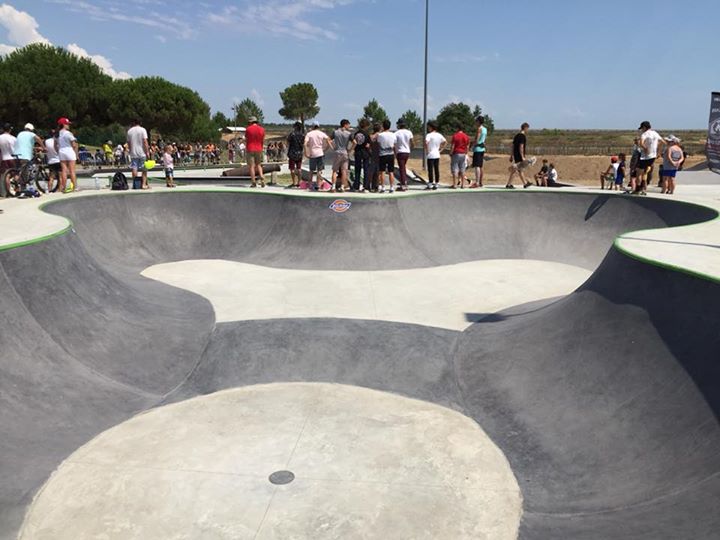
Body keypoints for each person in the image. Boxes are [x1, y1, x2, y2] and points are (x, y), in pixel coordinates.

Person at [636, 121, 664, 196]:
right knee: (645, 172)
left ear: (644, 127)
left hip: (644, 157)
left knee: (639, 172)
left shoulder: (644, 134)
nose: (641, 130)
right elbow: (662, 141)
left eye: (642, 128)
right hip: (653, 156)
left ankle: (638, 189)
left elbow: (641, 143)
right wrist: (659, 152)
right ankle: (643, 188)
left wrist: (645, 149)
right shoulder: (655, 133)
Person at [304, 122, 333, 191]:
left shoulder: (309, 134)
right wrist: (326, 149)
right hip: (320, 153)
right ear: (318, 126)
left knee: (311, 170)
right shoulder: (321, 133)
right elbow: (329, 140)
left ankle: (310, 185)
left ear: (312, 126)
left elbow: (305, 144)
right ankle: (318, 185)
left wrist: (306, 152)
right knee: (319, 170)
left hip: (312, 154)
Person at [506, 122, 533, 189]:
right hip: (519, 156)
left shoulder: (516, 136)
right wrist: (522, 157)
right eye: (527, 129)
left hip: (515, 155)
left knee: (520, 170)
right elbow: (521, 147)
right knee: (515, 170)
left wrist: (511, 155)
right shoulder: (522, 136)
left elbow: (512, 146)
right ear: (525, 128)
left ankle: (525, 183)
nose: (527, 130)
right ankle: (508, 184)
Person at [56, 117, 78, 193]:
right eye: (67, 124)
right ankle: (75, 187)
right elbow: (74, 144)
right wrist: (76, 153)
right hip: (69, 151)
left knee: (64, 171)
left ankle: (64, 187)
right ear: (64, 124)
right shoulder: (68, 133)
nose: (68, 125)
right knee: (72, 171)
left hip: (61, 152)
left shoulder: (58, 134)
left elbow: (56, 145)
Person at [127, 119, 150, 190]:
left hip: (133, 152)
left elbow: (129, 143)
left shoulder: (129, 131)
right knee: (144, 169)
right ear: (140, 123)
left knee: (134, 168)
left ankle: (135, 185)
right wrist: (147, 152)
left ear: (133, 123)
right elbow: (145, 141)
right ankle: (143, 185)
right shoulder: (143, 130)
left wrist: (130, 151)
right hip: (142, 152)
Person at [424, 121, 446, 190]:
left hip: (431, 155)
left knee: (430, 170)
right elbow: (445, 142)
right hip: (437, 154)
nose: (428, 128)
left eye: (428, 127)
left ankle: (430, 183)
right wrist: (441, 150)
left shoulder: (429, 135)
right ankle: (436, 183)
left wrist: (427, 151)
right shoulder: (439, 135)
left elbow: (426, 143)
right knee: (436, 169)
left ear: (431, 127)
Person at [351, 118, 371, 192]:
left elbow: (355, 143)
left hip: (357, 152)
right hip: (365, 153)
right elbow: (368, 145)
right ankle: (365, 187)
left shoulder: (356, 133)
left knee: (357, 170)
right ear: (366, 126)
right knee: (366, 170)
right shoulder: (366, 134)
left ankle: (356, 186)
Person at [331, 119, 352, 192]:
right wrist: (350, 149)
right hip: (345, 152)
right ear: (345, 124)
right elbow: (355, 142)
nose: (349, 126)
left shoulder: (335, 132)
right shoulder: (348, 133)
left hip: (337, 152)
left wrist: (333, 147)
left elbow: (328, 139)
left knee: (334, 170)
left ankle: (333, 186)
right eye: (348, 124)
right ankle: (342, 187)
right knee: (344, 171)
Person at [376, 119, 397, 193]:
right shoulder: (393, 134)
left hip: (382, 155)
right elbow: (394, 145)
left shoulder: (380, 135)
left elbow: (378, 144)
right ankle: (391, 187)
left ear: (383, 126)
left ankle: (383, 187)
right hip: (390, 154)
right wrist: (395, 154)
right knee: (391, 171)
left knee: (382, 171)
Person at [245, 116, 266, 188]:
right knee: (259, 165)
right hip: (259, 148)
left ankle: (253, 182)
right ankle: (262, 178)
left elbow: (247, 139)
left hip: (250, 148)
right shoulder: (262, 129)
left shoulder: (248, 129)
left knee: (251, 166)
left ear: (250, 122)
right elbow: (262, 140)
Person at [394, 118, 413, 191]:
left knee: (401, 168)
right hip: (407, 152)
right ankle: (403, 181)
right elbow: (412, 142)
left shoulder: (396, 133)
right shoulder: (409, 132)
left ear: (399, 125)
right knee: (403, 167)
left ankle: (403, 185)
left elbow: (394, 144)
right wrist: (410, 148)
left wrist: (395, 153)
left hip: (400, 152)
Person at [450, 124, 470, 188]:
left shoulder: (455, 136)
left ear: (457, 128)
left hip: (456, 153)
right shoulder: (466, 136)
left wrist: (451, 153)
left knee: (455, 169)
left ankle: (455, 184)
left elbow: (453, 146)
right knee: (462, 168)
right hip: (463, 153)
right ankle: (463, 184)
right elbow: (467, 146)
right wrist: (466, 153)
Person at [286, 121, 305, 188]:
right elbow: (303, 144)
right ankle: (299, 182)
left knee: (292, 169)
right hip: (299, 153)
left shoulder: (292, 134)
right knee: (299, 168)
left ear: (296, 127)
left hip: (292, 153)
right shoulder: (302, 135)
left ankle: (294, 182)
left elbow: (287, 143)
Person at [0, 123, 17, 200]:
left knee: (6, 176)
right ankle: (17, 190)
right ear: (10, 129)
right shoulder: (13, 138)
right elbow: (15, 149)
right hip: (12, 158)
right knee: (15, 174)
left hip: (4, 158)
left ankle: (8, 192)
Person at [471, 115, 487, 188]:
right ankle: (480, 182)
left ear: (478, 121)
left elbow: (477, 140)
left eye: (476, 121)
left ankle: (477, 182)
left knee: (477, 166)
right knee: (480, 166)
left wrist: (472, 145)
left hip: (477, 149)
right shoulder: (485, 129)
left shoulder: (479, 129)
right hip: (482, 149)